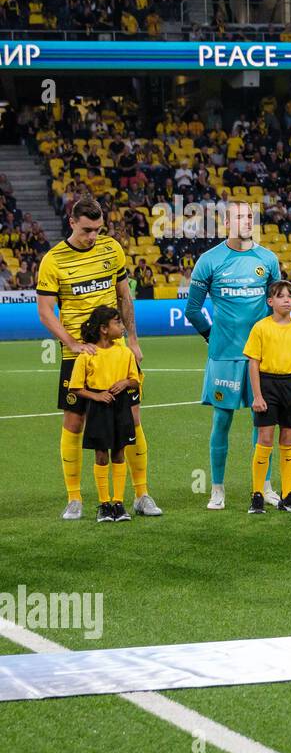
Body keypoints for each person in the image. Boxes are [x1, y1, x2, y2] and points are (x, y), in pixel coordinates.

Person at [36, 196, 157, 519]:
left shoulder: (111, 249)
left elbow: (123, 296)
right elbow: (45, 312)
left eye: (98, 229)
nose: (93, 236)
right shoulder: (53, 260)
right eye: (87, 230)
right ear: (72, 221)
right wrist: (72, 344)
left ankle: (141, 494)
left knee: (131, 420)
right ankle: (74, 498)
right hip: (78, 354)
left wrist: (132, 339)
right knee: (74, 423)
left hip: (116, 352)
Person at [187, 200, 282, 510]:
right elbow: (193, 309)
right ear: (226, 222)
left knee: (262, 422)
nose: (245, 221)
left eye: (250, 216)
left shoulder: (267, 260)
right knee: (222, 421)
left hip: (261, 357)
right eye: (239, 216)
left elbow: (275, 306)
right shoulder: (209, 260)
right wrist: (210, 335)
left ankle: (263, 486)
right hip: (224, 355)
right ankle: (217, 488)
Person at [243, 280, 291, 513]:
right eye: (280, 295)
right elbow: (253, 364)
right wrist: (257, 395)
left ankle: (288, 494)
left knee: (288, 439)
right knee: (265, 438)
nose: (286, 299)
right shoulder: (261, 328)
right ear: (270, 301)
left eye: (290, 295)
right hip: (268, 384)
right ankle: (257, 494)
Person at [70, 306, 140, 523]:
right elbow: (75, 388)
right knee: (101, 455)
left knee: (119, 453)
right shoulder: (87, 356)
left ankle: (118, 503)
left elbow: (135, 381)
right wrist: (96, 396)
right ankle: (104, 504)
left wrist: (125, 382)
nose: (121, 327)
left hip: (121, 407)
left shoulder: (125, 352)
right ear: (103, 329)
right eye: (117, 323)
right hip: (99, 408)